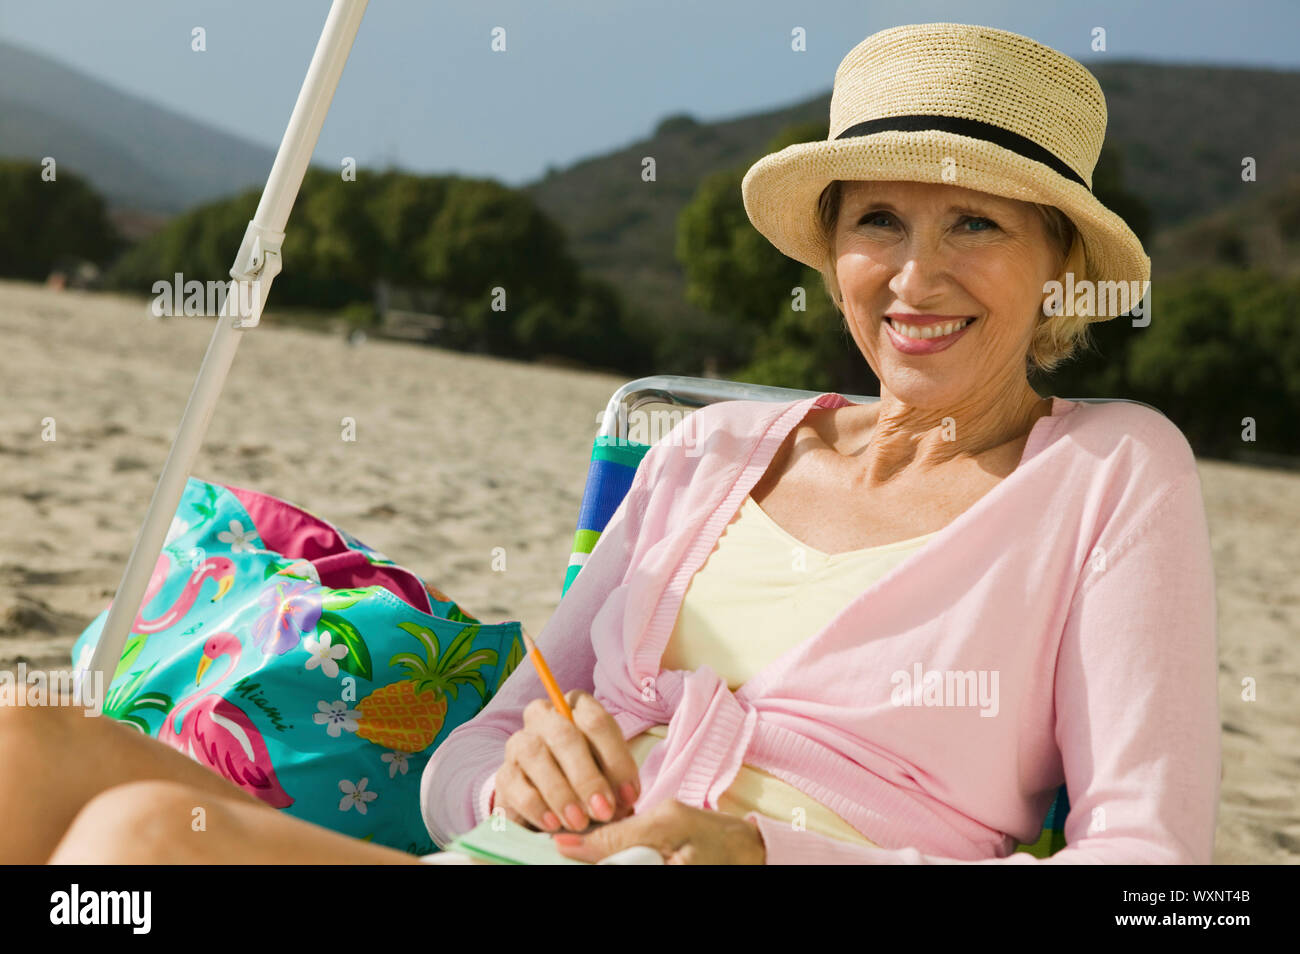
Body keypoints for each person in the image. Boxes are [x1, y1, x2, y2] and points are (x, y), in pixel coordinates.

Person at [1, 22, 1219, 865]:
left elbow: (1155, 874)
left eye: (975, 224)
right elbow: (473, 753)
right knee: (30, 749)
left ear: (1059, 261)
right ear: (830, 249)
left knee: (136, 849)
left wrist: (758, 851)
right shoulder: (708, 453)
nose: (915, 273)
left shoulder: (1110, 472)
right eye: (879, 220)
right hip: (525, 853)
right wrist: (510, 776)